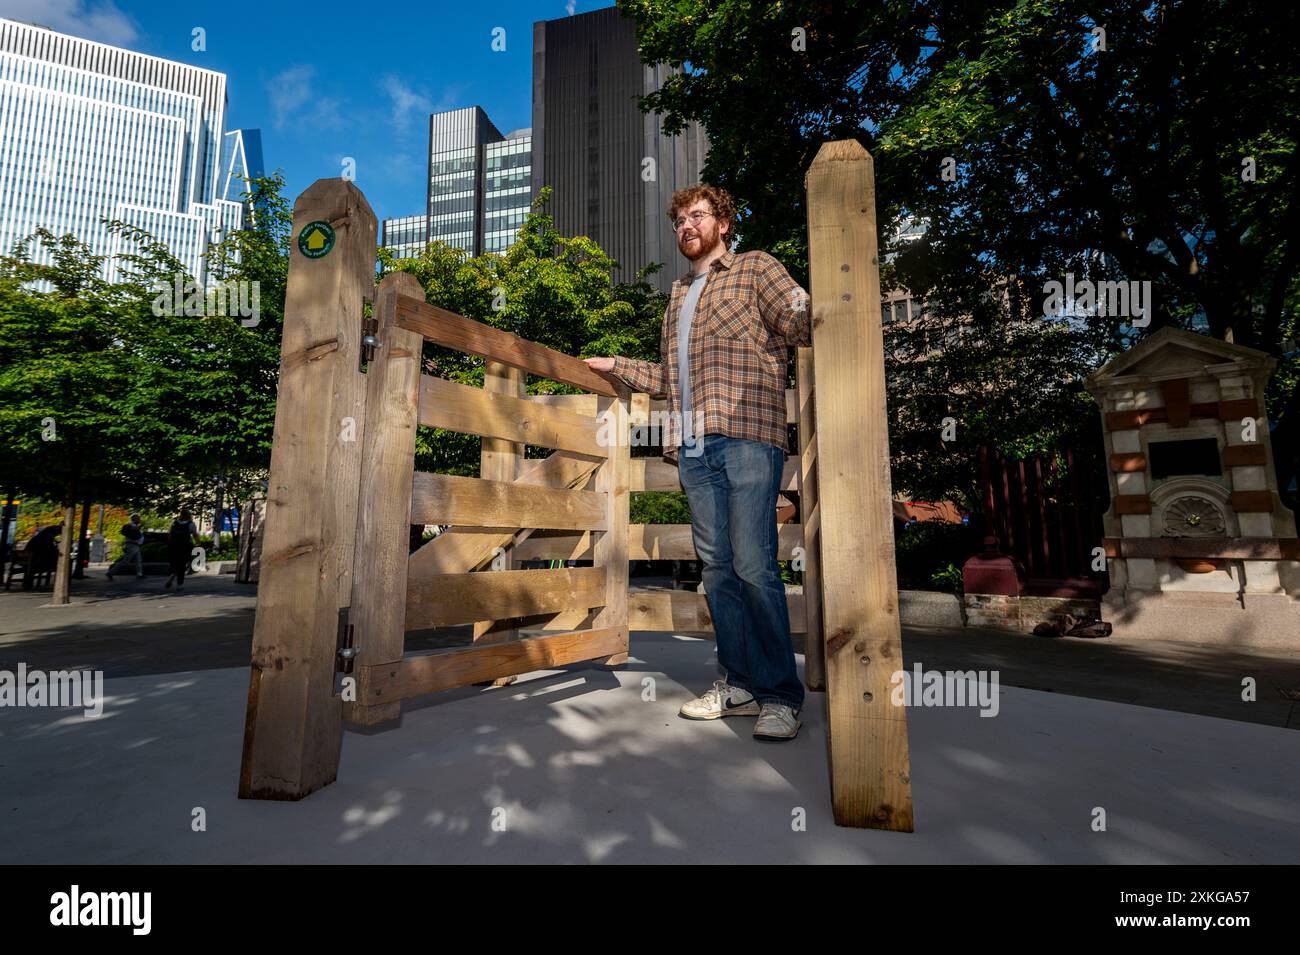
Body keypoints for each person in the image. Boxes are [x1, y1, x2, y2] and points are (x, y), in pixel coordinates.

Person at [583, 184, 812, 741]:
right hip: (691, 444)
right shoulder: (678, 297)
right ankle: (737, 683)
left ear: (724, 224)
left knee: (754, 562)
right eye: (680, 219)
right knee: (716, 568)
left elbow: (802, 320)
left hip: (747, 435)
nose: (686, 226)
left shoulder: (757, 269)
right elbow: (668, 378)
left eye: (698, 216)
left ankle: (781, 694)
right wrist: (617, 364)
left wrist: (836, 296)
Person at [164, 508, 202, 590]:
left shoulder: (174, 523)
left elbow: (170, 535)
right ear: (189, 515)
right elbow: (195, 535)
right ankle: (179, 584)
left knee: (174, 562)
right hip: (185, 546)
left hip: (174, 546)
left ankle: (172, 574)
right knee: (182, 564)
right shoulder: (191, 524)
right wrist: (198, 543)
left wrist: (170, 544)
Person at [105, 513, 145, 581]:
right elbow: (131, 535)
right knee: (126, 561)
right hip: (132, 545)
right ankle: (110, 573)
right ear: (134, 519)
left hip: (135, 545)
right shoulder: (131, 526)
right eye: (138, 518)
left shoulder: (134, 526)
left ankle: (139, 574)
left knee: (138, 560)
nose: (139, 519)